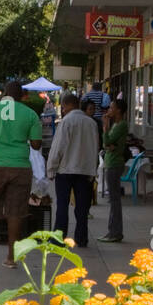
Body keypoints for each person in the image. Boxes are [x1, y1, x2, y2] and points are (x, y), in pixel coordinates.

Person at [0, 81, 42, 269]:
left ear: (4, 94)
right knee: (15, 213)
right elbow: (36, 144)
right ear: (23, 96)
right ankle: (11, 258)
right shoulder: (30, 114)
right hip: (19, 166)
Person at [46, 92, 99, 248]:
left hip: (65, 170)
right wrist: (93, 170)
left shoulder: (66, 122)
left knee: (62, 206)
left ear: (68, 105)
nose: (62, 109)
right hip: (85, 171)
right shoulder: (91, 123)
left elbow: (57, 148)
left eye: (63, 106)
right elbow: (95, 147)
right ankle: (81, 238)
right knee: (82, 208)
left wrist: (51, 168)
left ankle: (58, 239)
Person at [98, 99, 129, 243]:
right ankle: (112, 231)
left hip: (114, 164)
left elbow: (107, 142)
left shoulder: (121, 125)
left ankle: (115, 232)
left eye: (111, 108)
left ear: (118, 110)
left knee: (115, 200)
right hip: (111, 162)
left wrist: (105, 128)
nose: (108, 110)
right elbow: (108, 144)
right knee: (113, 199)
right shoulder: (116, 125)